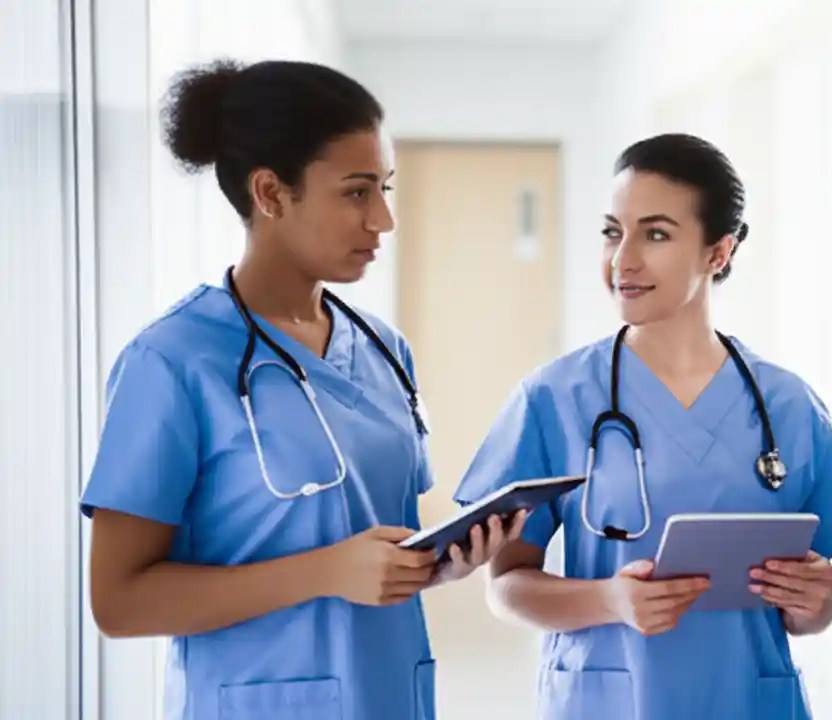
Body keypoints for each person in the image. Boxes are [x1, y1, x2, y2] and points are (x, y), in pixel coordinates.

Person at [81, 58, 525, 720]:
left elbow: (368, 541)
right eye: (355, 192)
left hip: (387, 693)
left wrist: (439, 563)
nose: (382, 220)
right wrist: (323, 572)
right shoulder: (172, 361)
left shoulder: (382, 351)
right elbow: (118, 603)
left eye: (386, 189)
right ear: (270, 193)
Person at [452, 133, 832, 720]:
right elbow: (507, 586)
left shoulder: (790, 406)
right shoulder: (554, 397)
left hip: (747, 699)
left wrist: (817, 600)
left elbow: (813, 610)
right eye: (613, 232)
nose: (624, 260)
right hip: (610, 701)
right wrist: (609, 600)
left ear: (718, 253)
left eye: (657, 234)